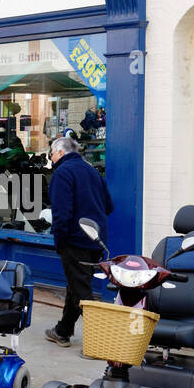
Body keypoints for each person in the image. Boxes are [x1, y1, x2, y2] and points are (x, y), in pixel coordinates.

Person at [44, 135, 113, 347]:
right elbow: (108, 206)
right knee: (76, 286)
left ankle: (101, 341)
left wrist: (60, 240)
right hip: (95, 239)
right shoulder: (91, 170)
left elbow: (62, 214)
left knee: (82, 292)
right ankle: (62, 331)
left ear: (61, 153)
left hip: (75, 241)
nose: (51, 158)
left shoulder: (63, 173)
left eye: (52, 154)